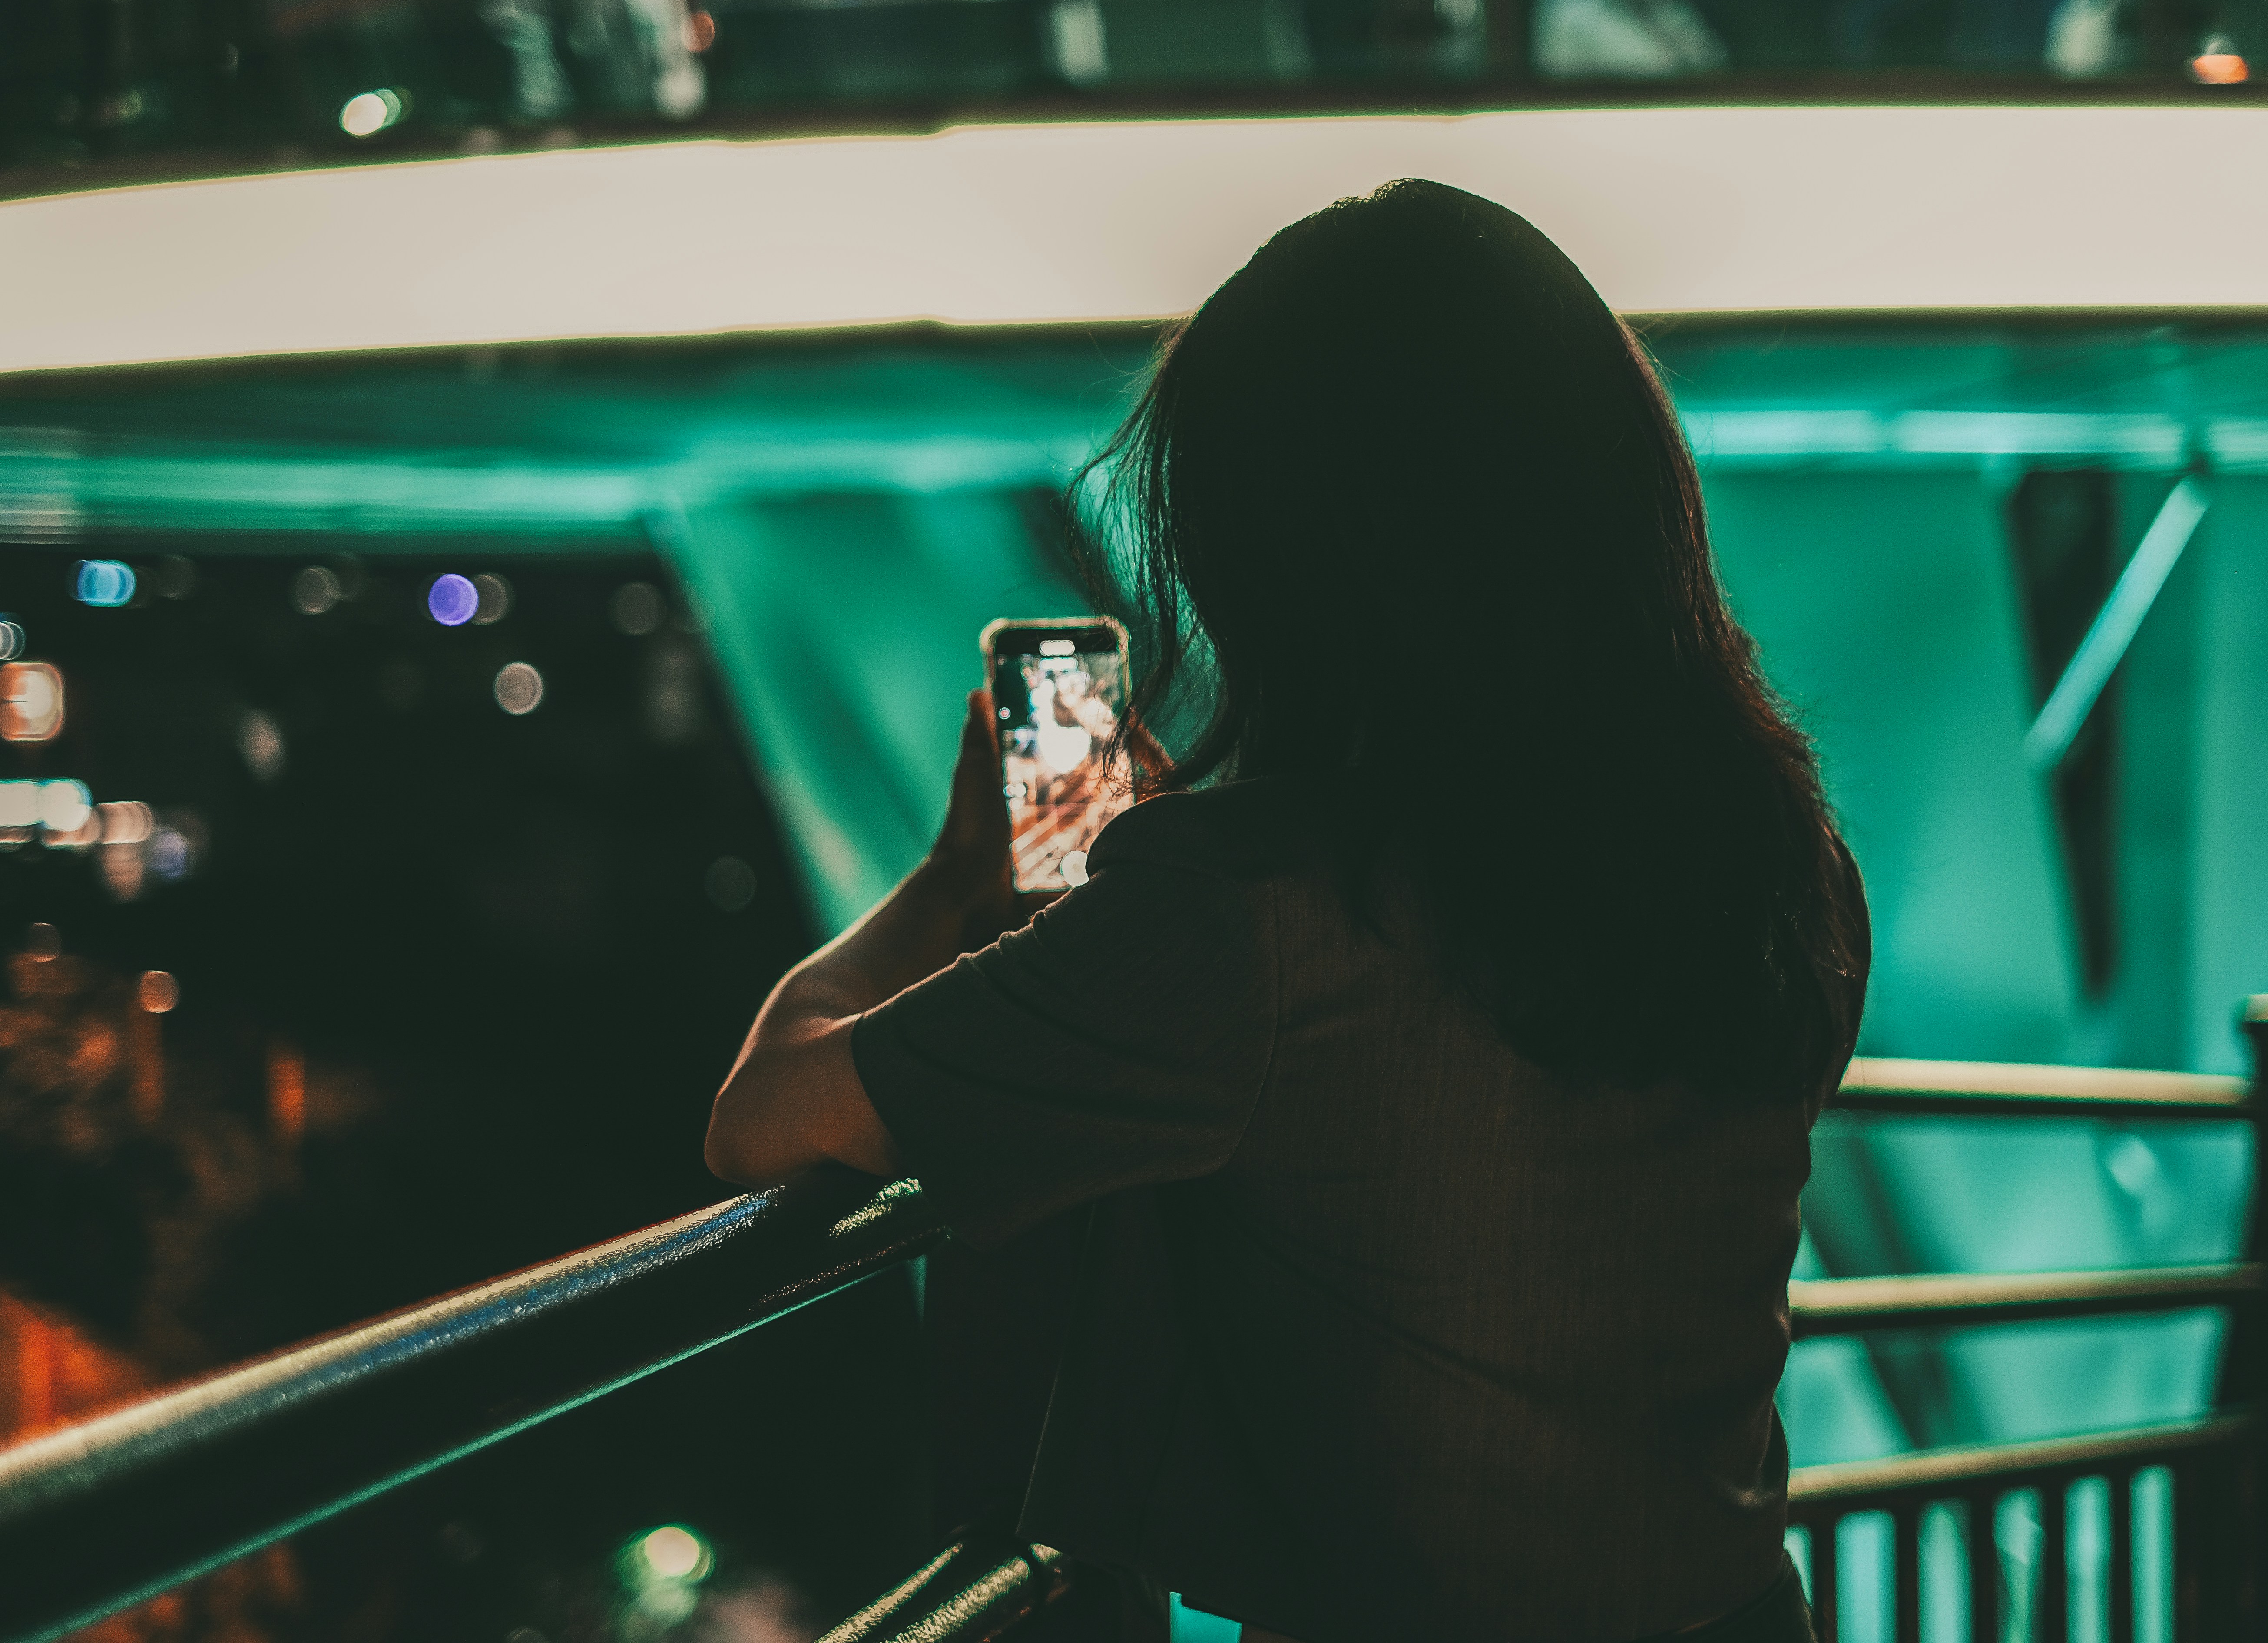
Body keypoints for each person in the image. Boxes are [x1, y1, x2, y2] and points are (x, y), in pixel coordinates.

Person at [703, 179, 1871, 1643]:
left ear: (1270, 553)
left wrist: (954, 884)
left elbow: (767, 1114)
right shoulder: (1779, 860)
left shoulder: (1244, 915)